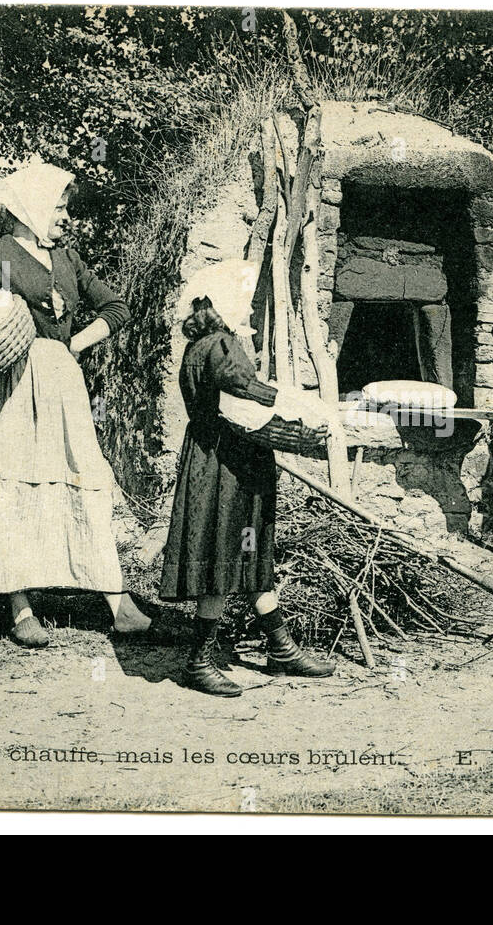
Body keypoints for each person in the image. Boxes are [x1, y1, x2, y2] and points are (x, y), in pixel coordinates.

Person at [0, 164, 151, 647]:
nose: (65, 217)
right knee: (10, 482)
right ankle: (20, 605)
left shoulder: (67, 259)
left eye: (66, 208)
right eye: (59, 207)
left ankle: (118, 602)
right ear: (30, 208)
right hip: (9, 385)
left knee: (81, 474)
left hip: (60, 385)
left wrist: (75, 344)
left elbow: (117, 307)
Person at [160, 259, 334, 697]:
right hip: (225, 465)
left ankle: (280, 649)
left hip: (224, 459)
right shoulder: (220, 345)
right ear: (224, 303)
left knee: (248, 551)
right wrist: (296, 404)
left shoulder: (200, 345)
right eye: (243, 298)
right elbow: (240, 387)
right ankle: (198, 662)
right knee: (224, 552)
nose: (250, 308)